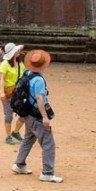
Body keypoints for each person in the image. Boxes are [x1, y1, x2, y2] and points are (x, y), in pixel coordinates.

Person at [12, 49, 62, 183]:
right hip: (36, 115)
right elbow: (39, 98)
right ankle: (47, 172)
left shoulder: (27, 74)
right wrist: (45, 117)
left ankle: (19, 164)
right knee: (48, 142)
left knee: (28, 138)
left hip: (27, 113)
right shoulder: (38, 79)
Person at [0, 42, 26, 145]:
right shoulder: (4, 64)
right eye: (16, 51)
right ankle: (8, 136)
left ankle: (16, 132)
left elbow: (23, 78)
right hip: (8, 92)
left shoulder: (20, 64)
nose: (19, 52)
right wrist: (2, 92)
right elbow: (2, 79)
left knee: (24, 113)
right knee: (8, 115)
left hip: (18, 93)